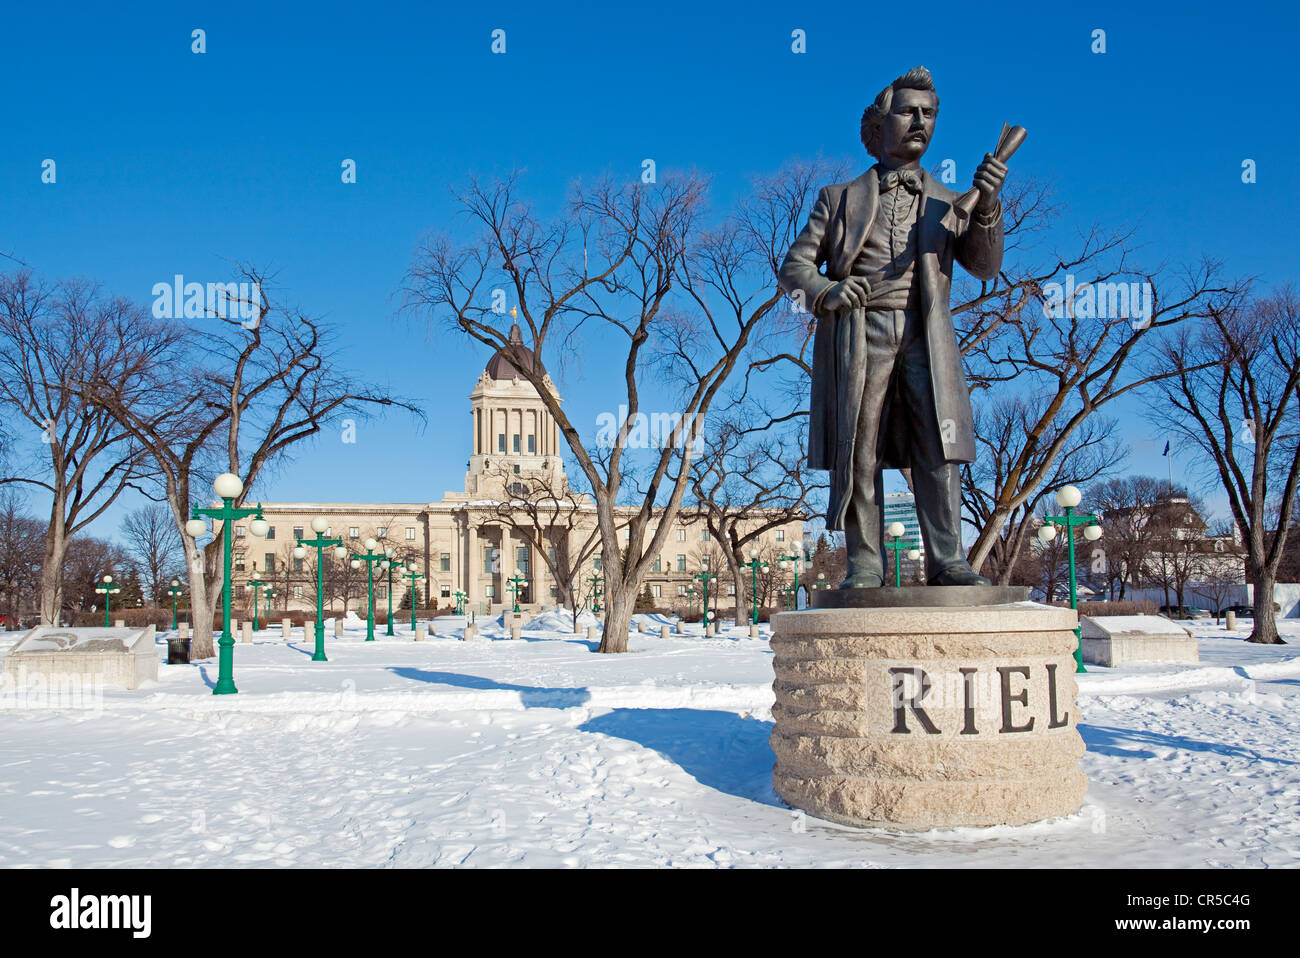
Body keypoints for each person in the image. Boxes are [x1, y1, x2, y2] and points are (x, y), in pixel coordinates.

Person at [779, 66, 1007, 588]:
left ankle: (948, 559)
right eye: (908, 111)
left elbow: (985, 266)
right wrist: (828, 292)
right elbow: (794, 269)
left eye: (929, 113)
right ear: (878, 127)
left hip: (927, 334)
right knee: (860, 447)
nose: (921, 121)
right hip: (860, 332)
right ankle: (864, 562)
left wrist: (989, 206)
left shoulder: (953, 201)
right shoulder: (836, 198)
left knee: (938, 445)